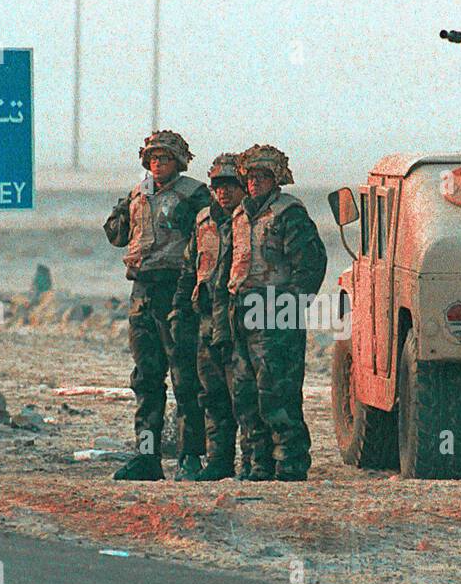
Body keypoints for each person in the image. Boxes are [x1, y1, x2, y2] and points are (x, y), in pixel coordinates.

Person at [103, 130, 209, 481]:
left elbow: (210, 238)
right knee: (146, 380)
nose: (157, 164)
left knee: (185, 379)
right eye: (152, 159)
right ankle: (147, 455)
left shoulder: (193, 195)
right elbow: (116, 235)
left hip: (177, 290)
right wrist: (127, 210)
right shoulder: (138, 194)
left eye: (164, 158)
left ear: (178, 161)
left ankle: (191, 457)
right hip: (143, 290)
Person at [222, 144, 327, 482]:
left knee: (277, 393)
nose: (254, 183)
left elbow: (310, 266)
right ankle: (257, 463)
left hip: (276, 314)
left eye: (262, 177)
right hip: (242, 311)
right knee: (245, 394)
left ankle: (290, 464)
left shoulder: (288, 214)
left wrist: (289, 306)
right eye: (250, 177)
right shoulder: (239, 215)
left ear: (275, 179)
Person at [173, 153, 245, 481]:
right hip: (206, 322)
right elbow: (191, 267)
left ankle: (258, 465)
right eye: (217, 186)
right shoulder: (204, 221)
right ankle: (219, 461)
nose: (223, 192)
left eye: (231, 185)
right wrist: (180, 309)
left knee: (245, 397)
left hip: (241, 323)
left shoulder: (250, 221)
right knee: (211, 395)